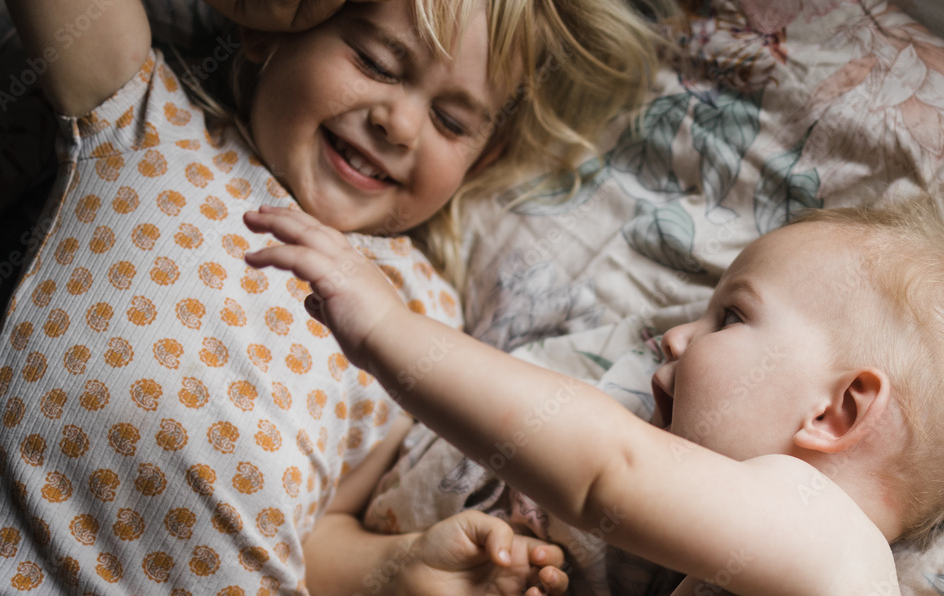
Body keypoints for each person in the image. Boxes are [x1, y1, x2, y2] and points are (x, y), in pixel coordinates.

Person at [0, 0, 669, 593]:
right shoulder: (142, 119)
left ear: (486, 156)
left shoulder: (419, 309)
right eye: (375, 61)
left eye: (452, 120)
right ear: (274, 32)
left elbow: (317, 536)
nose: (400, 122)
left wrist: (398, 567)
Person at [242, 194, 944, 596]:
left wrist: (389, 332)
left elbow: (609, 471)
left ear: (837, 411)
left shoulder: (833, 545)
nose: (673, 337)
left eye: (730, 316)